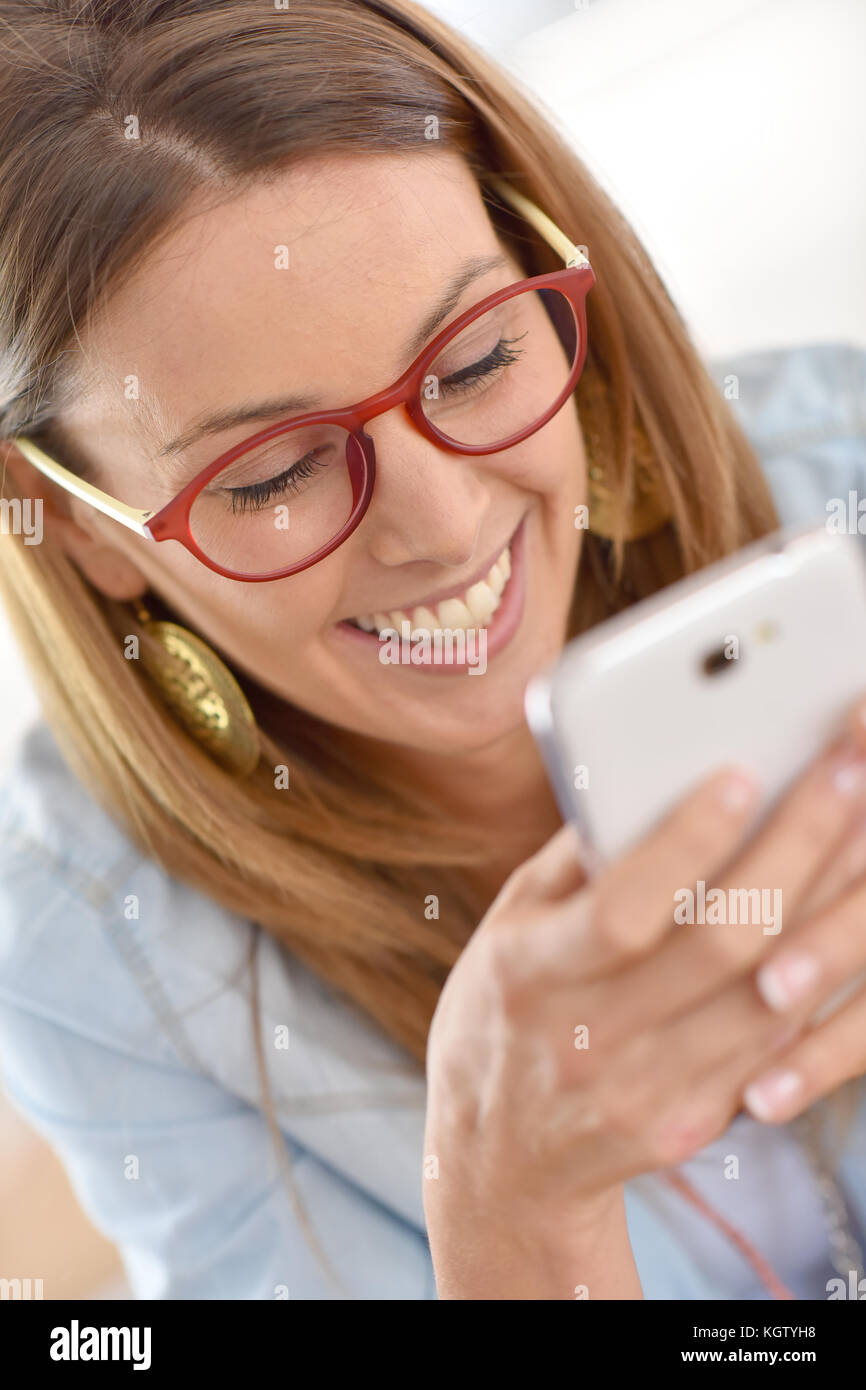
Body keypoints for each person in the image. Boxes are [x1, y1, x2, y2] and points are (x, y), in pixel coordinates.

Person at [1, 0, 865, 1301]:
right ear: (79, 524)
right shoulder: (89, 950)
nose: (445, 524)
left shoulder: (840, 477)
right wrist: (506, 1206)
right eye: (274, 470)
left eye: (472, 360)